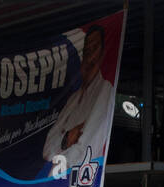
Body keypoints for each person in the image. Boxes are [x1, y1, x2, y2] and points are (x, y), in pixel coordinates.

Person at [42, 24, 115, 172]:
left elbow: (83, 150)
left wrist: (62, 148)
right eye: (86, 51)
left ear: (102, 54)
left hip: (74, 178)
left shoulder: (105, 90)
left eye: (94, 49)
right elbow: (47, 147)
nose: (89, 57)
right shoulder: (74, 98)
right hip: (54, 177)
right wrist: (67, 138)